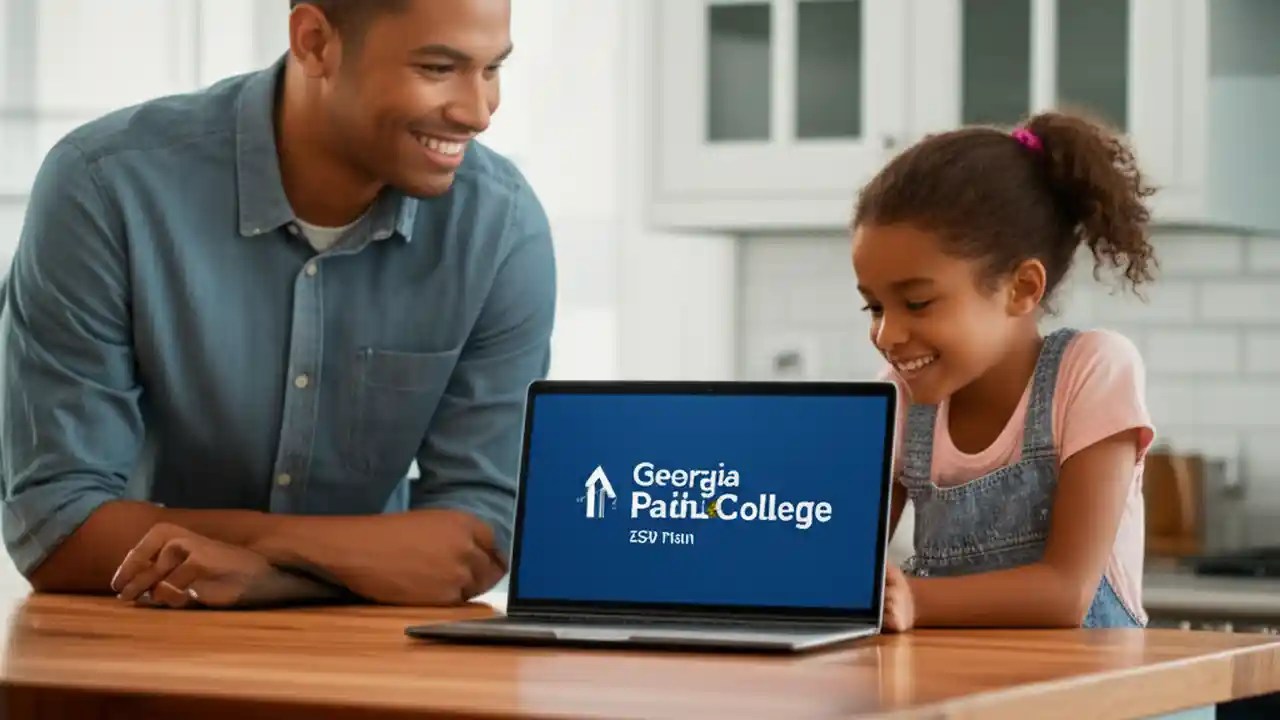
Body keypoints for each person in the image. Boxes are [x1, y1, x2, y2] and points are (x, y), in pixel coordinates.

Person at [0, 0, 555, 609]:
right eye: (437, 68)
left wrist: (262, 568)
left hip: (374, 666)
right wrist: (362, 557)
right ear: (315, 41)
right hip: (137, 642)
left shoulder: (500, 228)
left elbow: (476, 541)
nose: (477, 113)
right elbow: (58, 528)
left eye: (492, 70)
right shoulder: (104, 188)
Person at [850, 110, 1157, 631]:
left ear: (1022, 289)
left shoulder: (1091, 372)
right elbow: (843, 561)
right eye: (874, 308)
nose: (887, 336)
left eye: (918, 303)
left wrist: (916, 599)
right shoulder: (899, 399)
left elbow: (1066, 593)